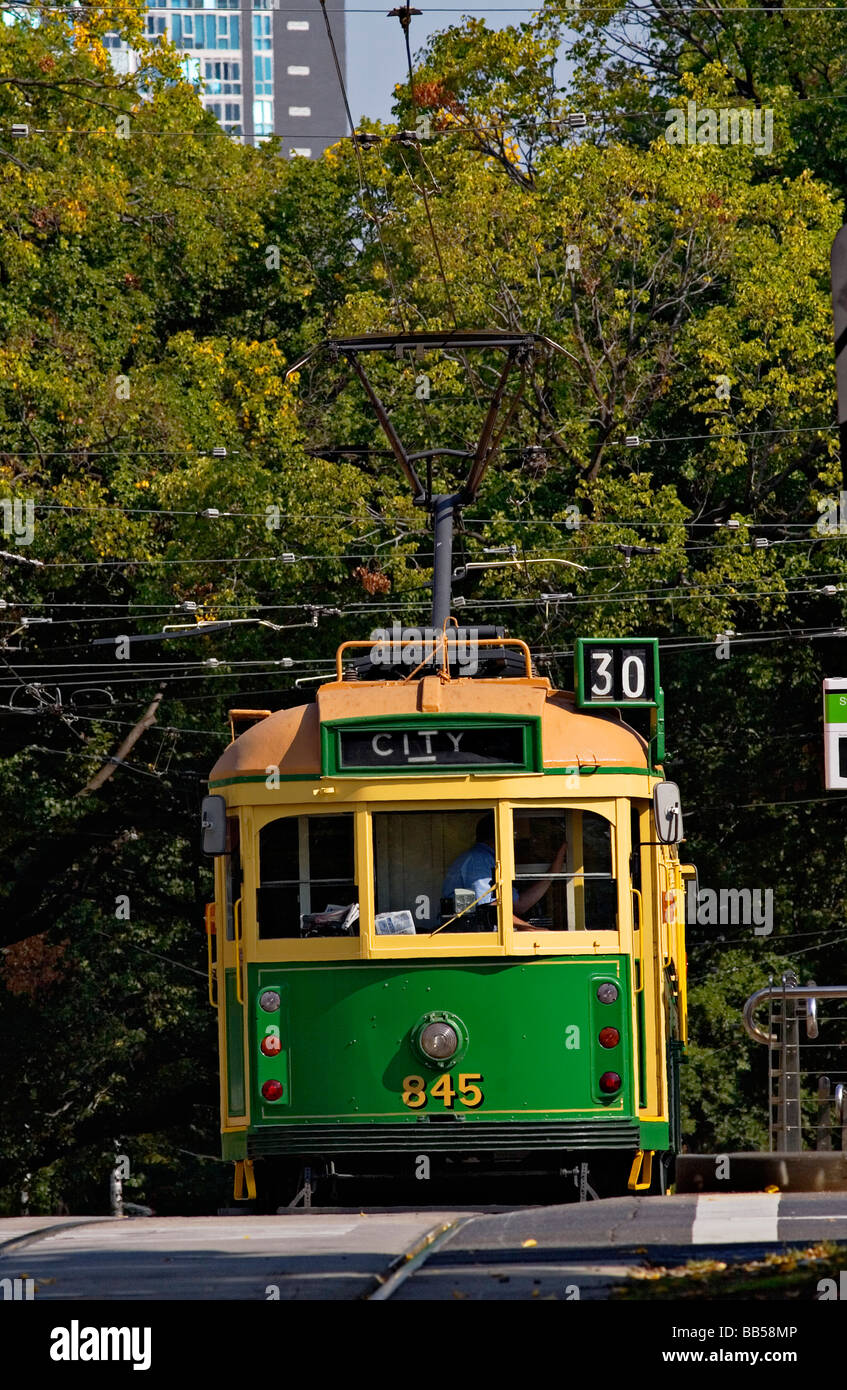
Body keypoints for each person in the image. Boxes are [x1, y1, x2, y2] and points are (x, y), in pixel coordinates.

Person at [441, 811, 567, 932]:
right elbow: (489, 910)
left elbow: (519, 905)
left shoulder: (491, 859)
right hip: (472, 937)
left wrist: (553, 873)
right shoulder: (478, 859)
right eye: (514, 836)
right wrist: (530, 929)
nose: (516, 842)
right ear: (499, 837)